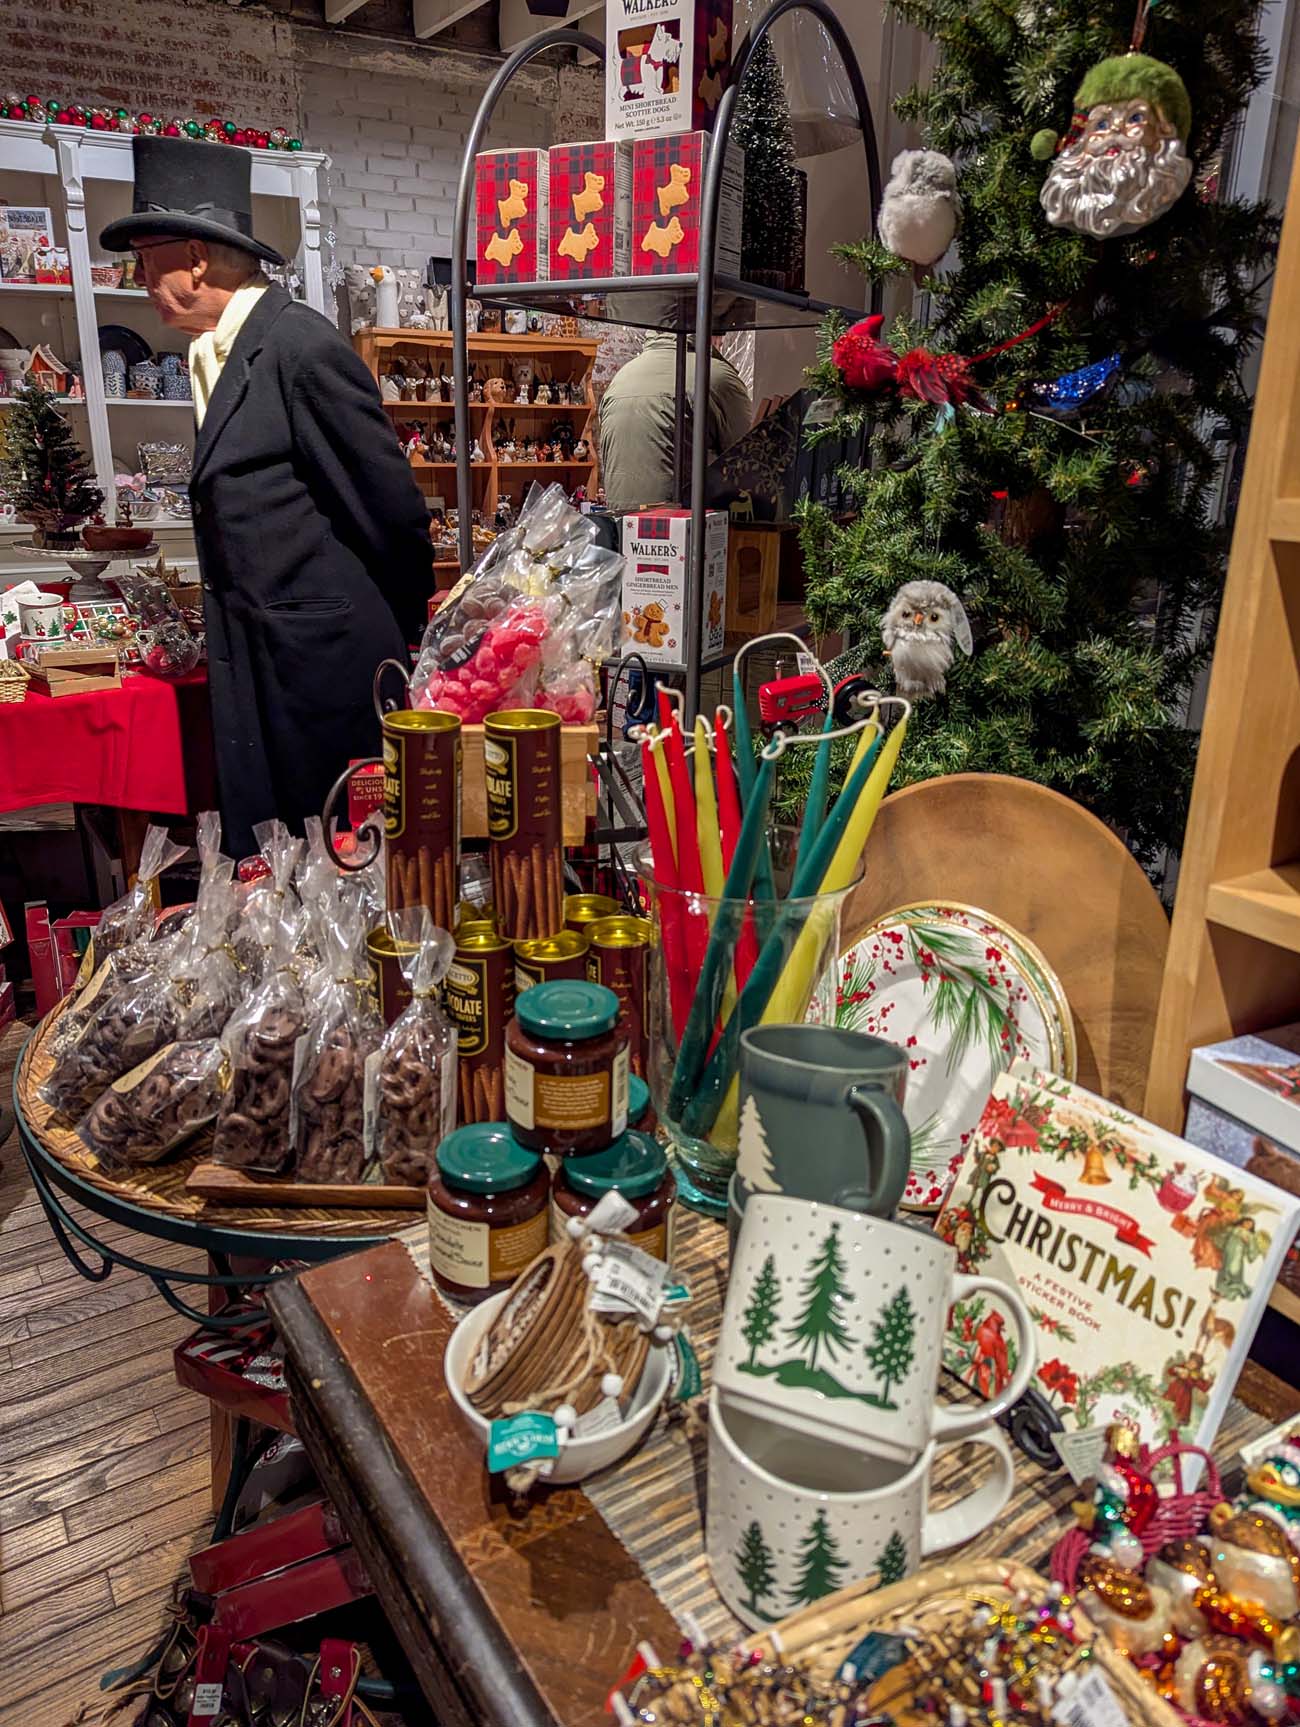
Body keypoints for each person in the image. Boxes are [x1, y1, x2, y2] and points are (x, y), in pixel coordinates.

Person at [100, 135, 433, 856]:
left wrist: (403, 634)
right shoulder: (214, 353)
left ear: (196, 256)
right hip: (261, 661)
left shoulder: (299, 348)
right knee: (277, 861)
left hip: (324, 673)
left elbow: (393, 512)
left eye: (147, 256)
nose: (138, 276)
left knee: (342, 860)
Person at [597, 328, 751, 514]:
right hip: (682, 521)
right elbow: (745, 460)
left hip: (621, 521)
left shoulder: (621, 378)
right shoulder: (716, 376)